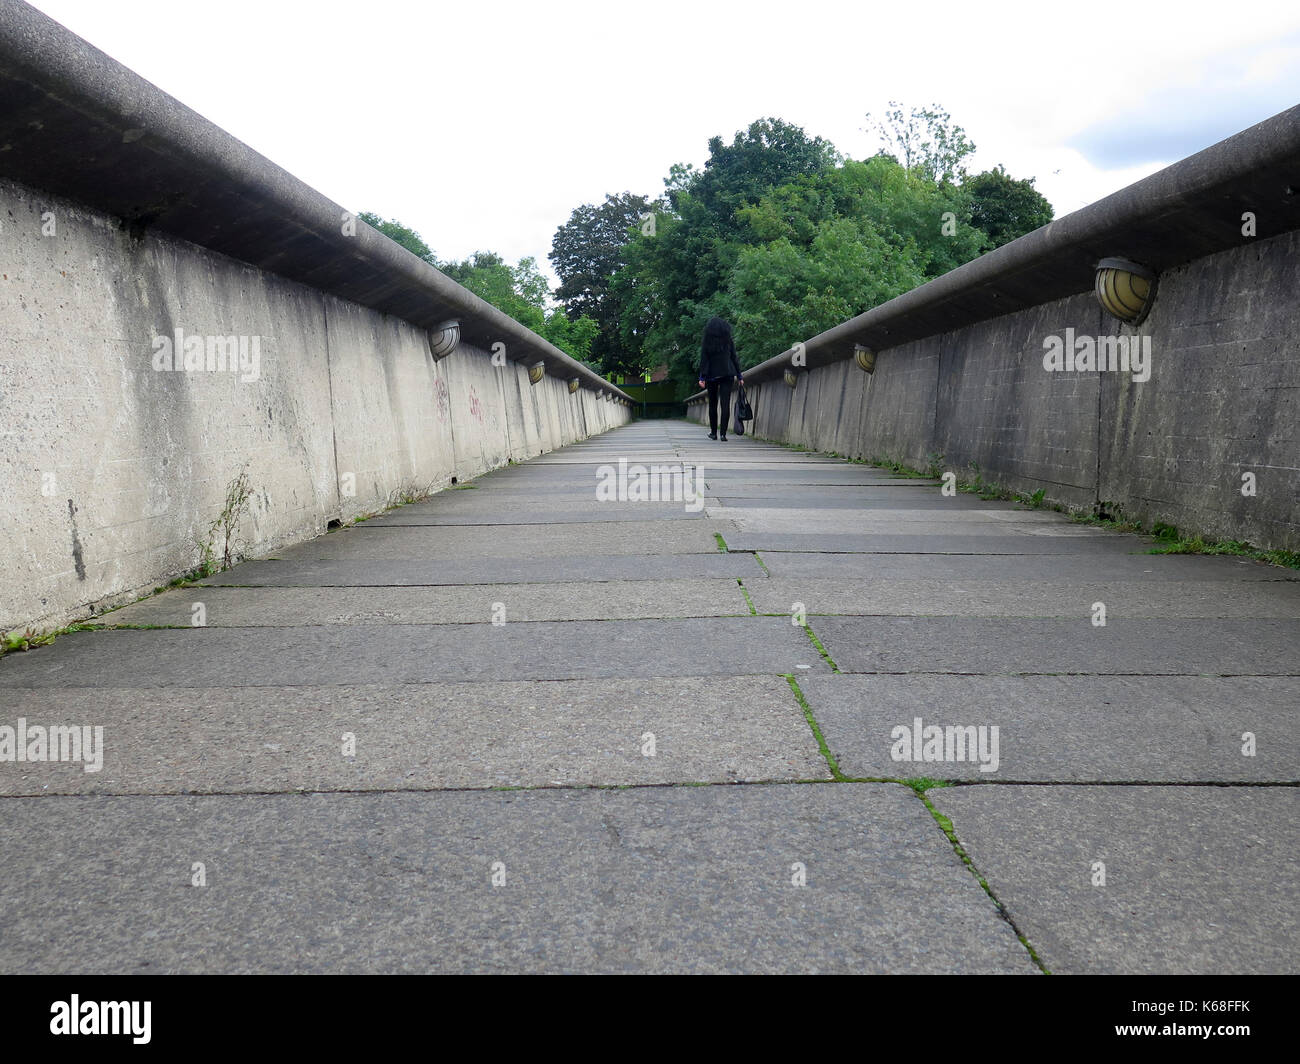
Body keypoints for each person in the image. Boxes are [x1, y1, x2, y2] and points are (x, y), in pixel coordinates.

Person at [696, 316, 743, 441]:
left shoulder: (707, 340)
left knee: (713, 404)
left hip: (712, 375)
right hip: (727, 374)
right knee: (725, 404)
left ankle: (713, 433)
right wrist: (739, 375)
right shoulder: (728, 339)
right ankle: (723, 434)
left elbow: (704, 359)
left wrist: (702, 377)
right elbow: (734, 357)